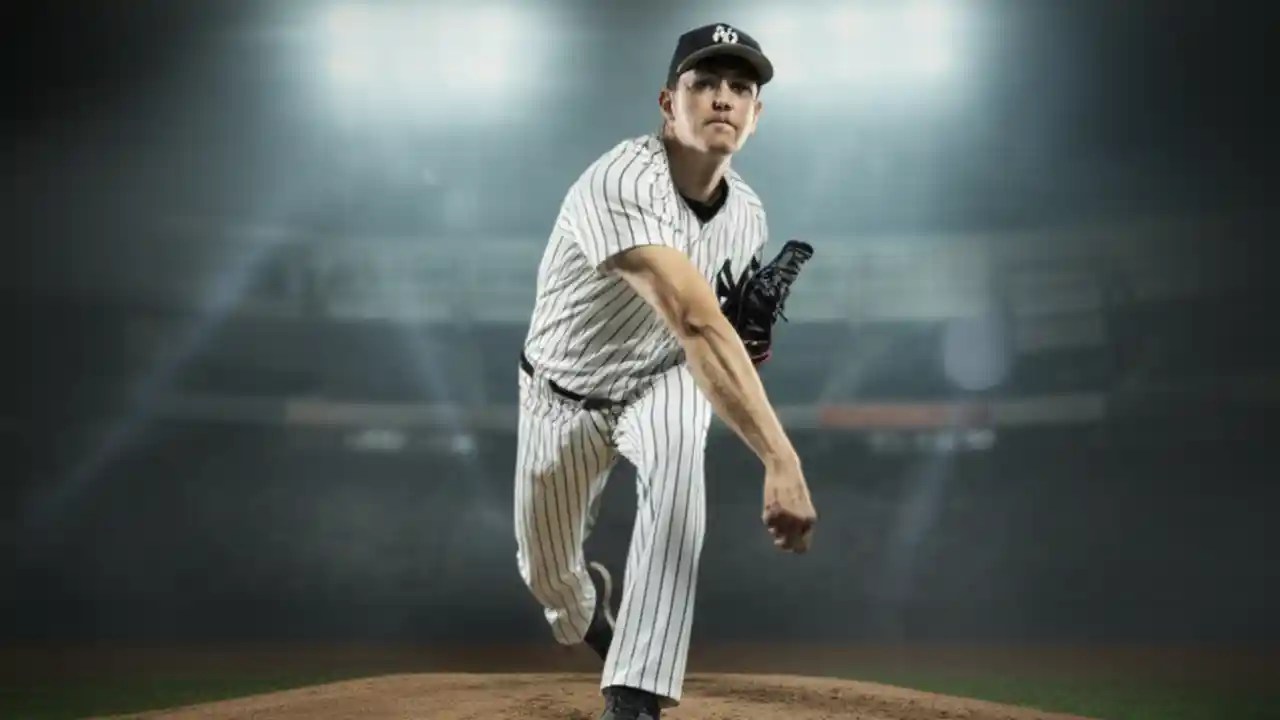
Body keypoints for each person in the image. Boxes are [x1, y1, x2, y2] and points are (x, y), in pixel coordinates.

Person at [513, 22, 817, 720]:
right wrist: (781, 456)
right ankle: (586, 607)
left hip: (660, 377)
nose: (723, 98)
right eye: (704, 82)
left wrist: (754, 344)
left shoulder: (748, 215)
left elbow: (716, 344)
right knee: (545, 572)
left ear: (756, 115)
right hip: (561, 395)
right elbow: (694, 317)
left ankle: (637, 692)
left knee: (682, 455)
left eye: (741, 87)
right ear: (666, 101)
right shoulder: (619, 180)